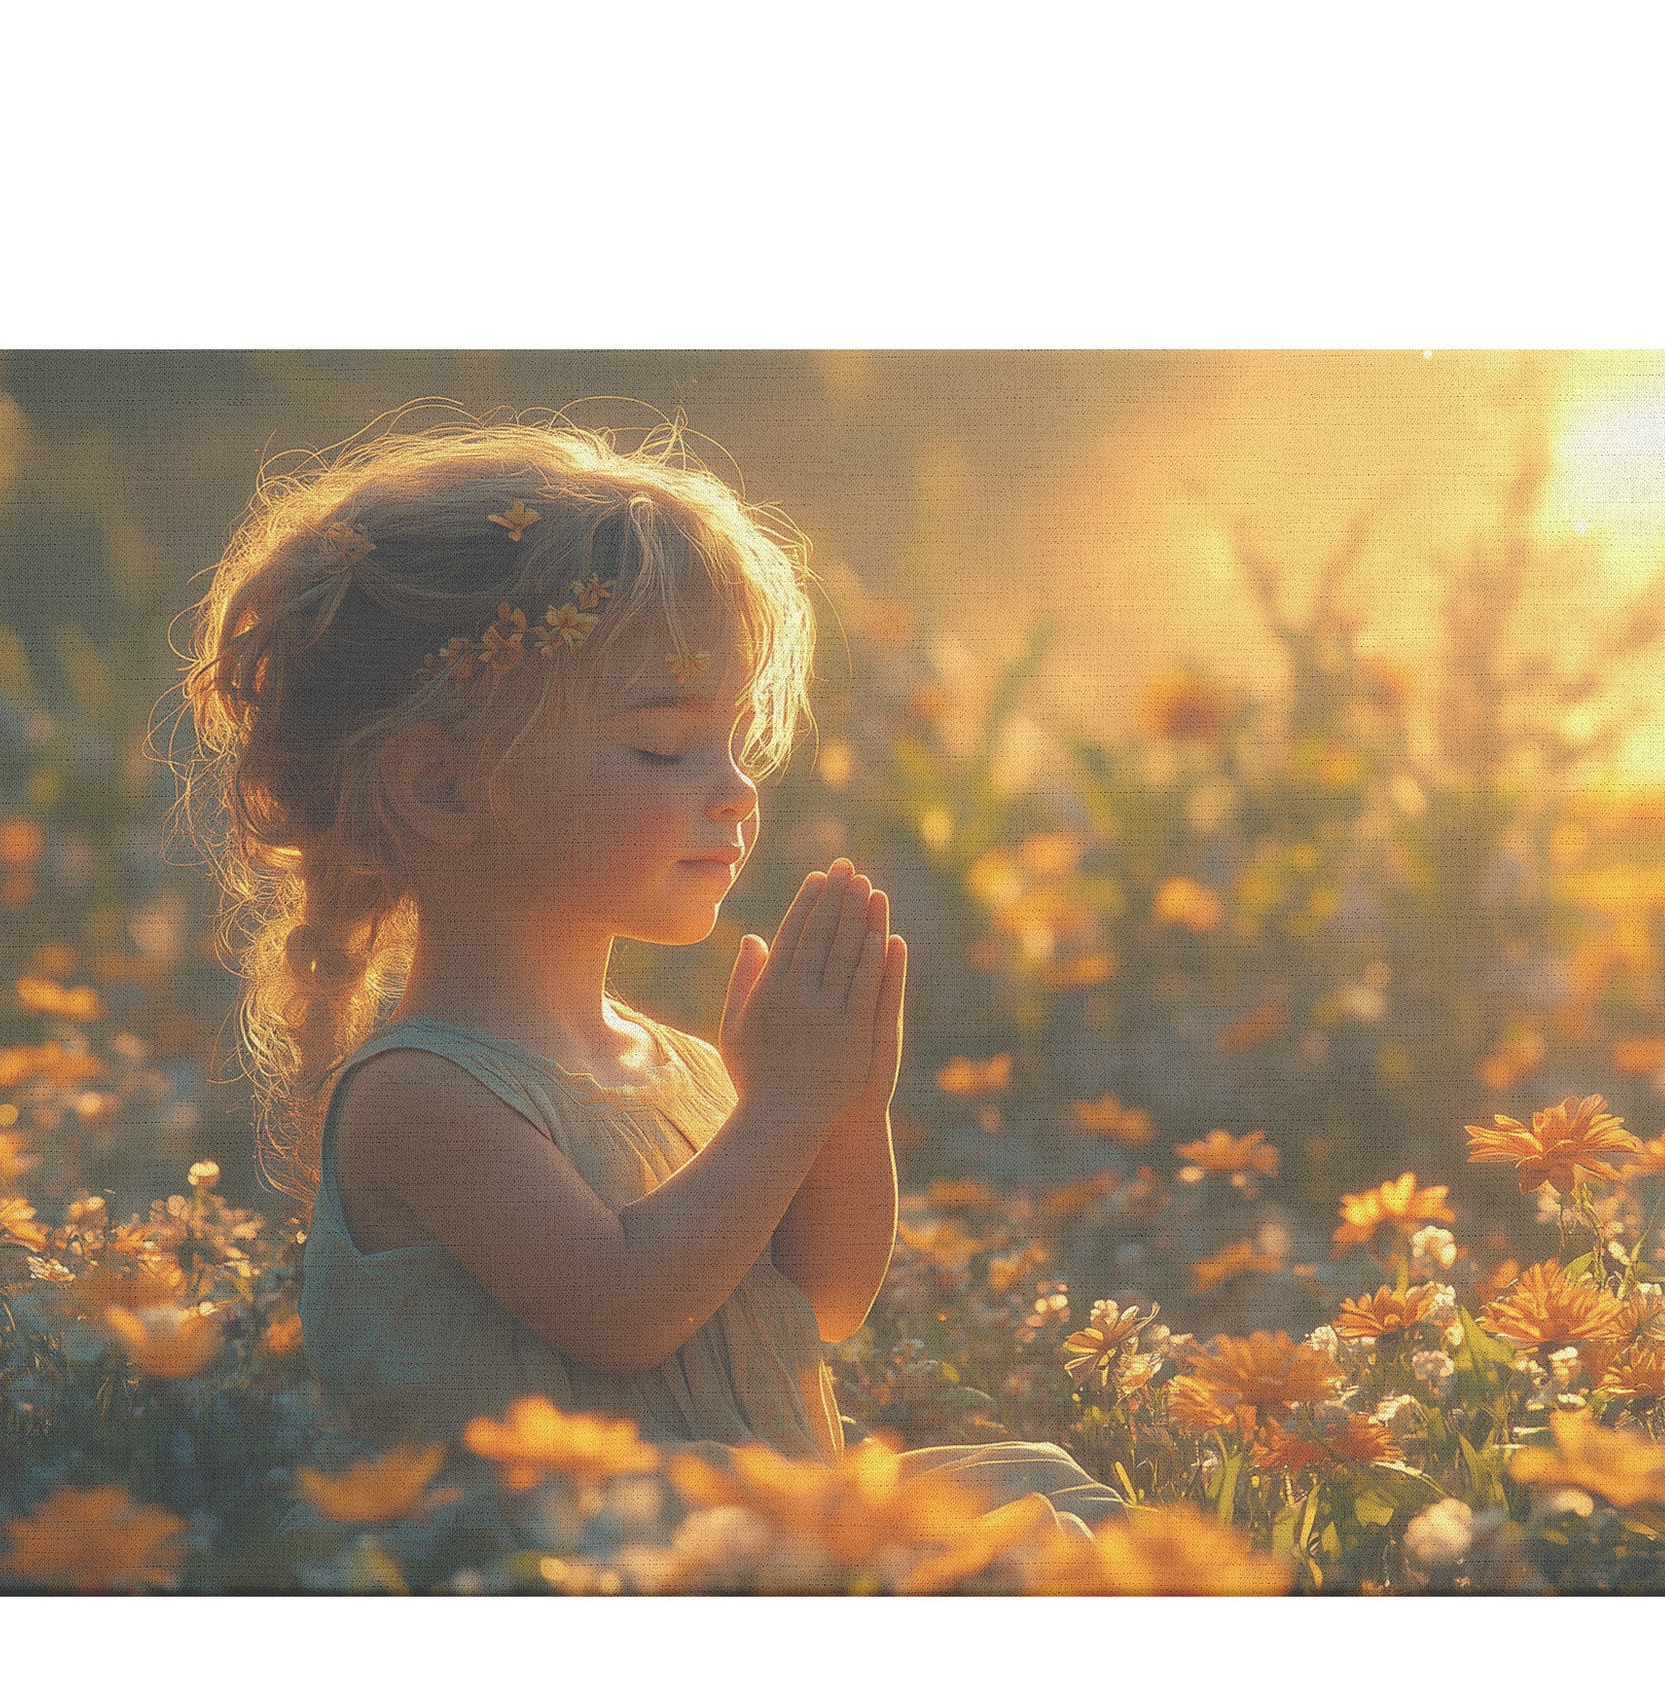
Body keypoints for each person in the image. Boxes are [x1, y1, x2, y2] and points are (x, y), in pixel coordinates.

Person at [182, 414, 1126, 1550]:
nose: (735, 790)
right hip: (584, 1555)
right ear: (442, 786)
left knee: (1052, 1488)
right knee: (1023, 1551)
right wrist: (782, 1108)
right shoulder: (420, 1094)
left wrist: (844, 1106)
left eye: (736, 744)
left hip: (760, 1519)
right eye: (662, 749)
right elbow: (624, 1310)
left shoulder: (676, 1065)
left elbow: (827, 1298)